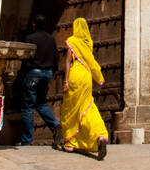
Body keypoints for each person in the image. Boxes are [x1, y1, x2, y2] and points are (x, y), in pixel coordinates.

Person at [58, 17, 109, 161]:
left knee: (71, 110)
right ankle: (100, 135)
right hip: (87, 77)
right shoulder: (89, 43)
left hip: (75, 75)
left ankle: (70, 142)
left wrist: (66, 80)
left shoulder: (73, 41)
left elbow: (68, 62)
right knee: (87, 107)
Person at [18, 14, 62, 147]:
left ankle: (27, 140)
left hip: (34, 73)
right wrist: (53, 71)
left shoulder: (30, 38)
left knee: (27, 107)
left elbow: (25, 58)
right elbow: (56, 57)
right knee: (41, 103)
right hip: (47, 73)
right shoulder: (51, 39)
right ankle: (55, 125)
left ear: (34, 25)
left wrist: (22, 74)